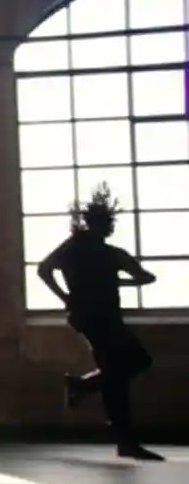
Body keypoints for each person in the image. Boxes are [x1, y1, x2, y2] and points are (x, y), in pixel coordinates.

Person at [37, 183, 162, 461]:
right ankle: (124, 440)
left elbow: (44, 270)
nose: (110, 228)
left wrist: (65, 296)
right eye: (108, 224)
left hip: (92, 316)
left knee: (118, 371)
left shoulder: (77, 250)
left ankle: (84, 389)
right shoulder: (102, 253)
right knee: (124, 370)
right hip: (97, 317)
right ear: (99, 225)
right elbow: (145, 277)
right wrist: (113, 282)